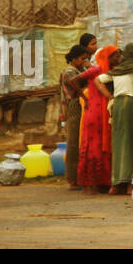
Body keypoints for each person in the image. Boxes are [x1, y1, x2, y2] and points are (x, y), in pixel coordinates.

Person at [76, 45, 120, 193]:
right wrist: (83, 97)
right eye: (115, 55)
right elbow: (74, 80)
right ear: (107, 56)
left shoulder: (112, 70)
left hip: (105, 110)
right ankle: (91, 182)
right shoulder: (97, 69)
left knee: (104, 144)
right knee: (94, 145)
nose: (118, 58)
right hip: (95, 110)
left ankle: (104, 181)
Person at [109, 42, 133, 195]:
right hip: (132, 104)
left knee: (118, 144)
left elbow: (99, 80)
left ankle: (116, 184)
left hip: (117, 105)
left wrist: (110, 97)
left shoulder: (117, 70)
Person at [59, 45, 90, 190]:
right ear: (74, 58)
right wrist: (83, 95)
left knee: (80, 140)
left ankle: (80, 176)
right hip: (74, 105)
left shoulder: (77, 70)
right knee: (73, 141)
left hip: (79, 104)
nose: (84, 61)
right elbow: (74, 82)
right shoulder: (69, 72)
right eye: (82, 59)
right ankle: (72, 178)